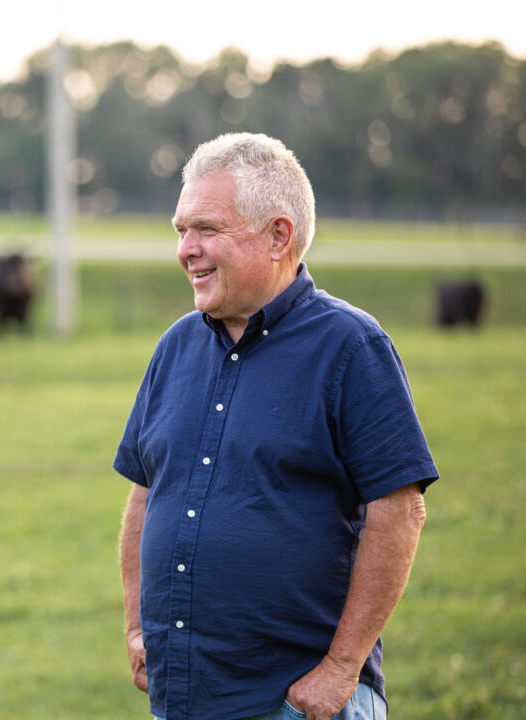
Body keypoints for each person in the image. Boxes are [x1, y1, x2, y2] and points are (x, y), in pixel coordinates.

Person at [114, 133, 437, 720]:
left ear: (279, 235)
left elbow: (400, 511)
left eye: (207, 229)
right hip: (185, 697)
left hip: (298, 702)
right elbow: (145, 492)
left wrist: (340, 672)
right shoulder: (175, 347)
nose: (187, 249)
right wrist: (138, 628)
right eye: (181, 230)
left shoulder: (351, 346)